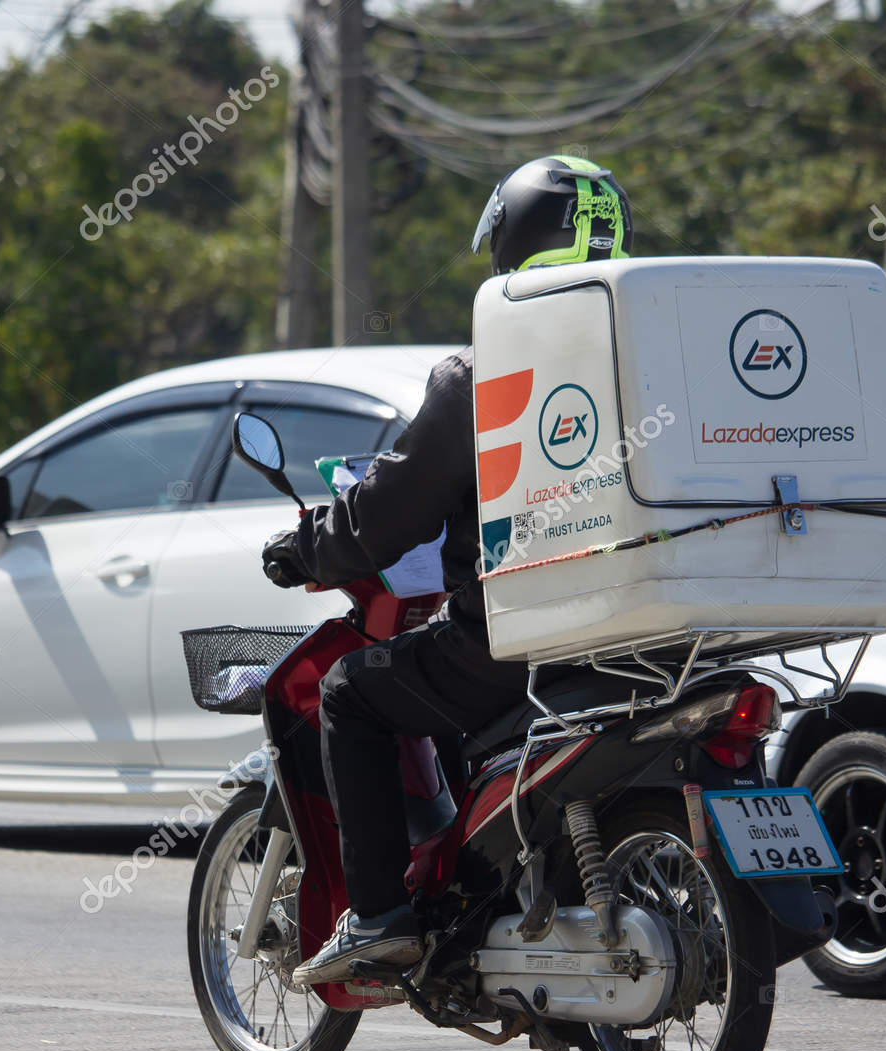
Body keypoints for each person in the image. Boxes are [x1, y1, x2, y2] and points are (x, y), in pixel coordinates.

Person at [262, 154, 634, 986]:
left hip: (515, 645)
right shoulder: (646, 360)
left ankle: (380, 917)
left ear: (511, 249)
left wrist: (316, 548)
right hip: (638, 637)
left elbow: (390, 514)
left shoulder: (483, 375)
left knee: (350, 693)